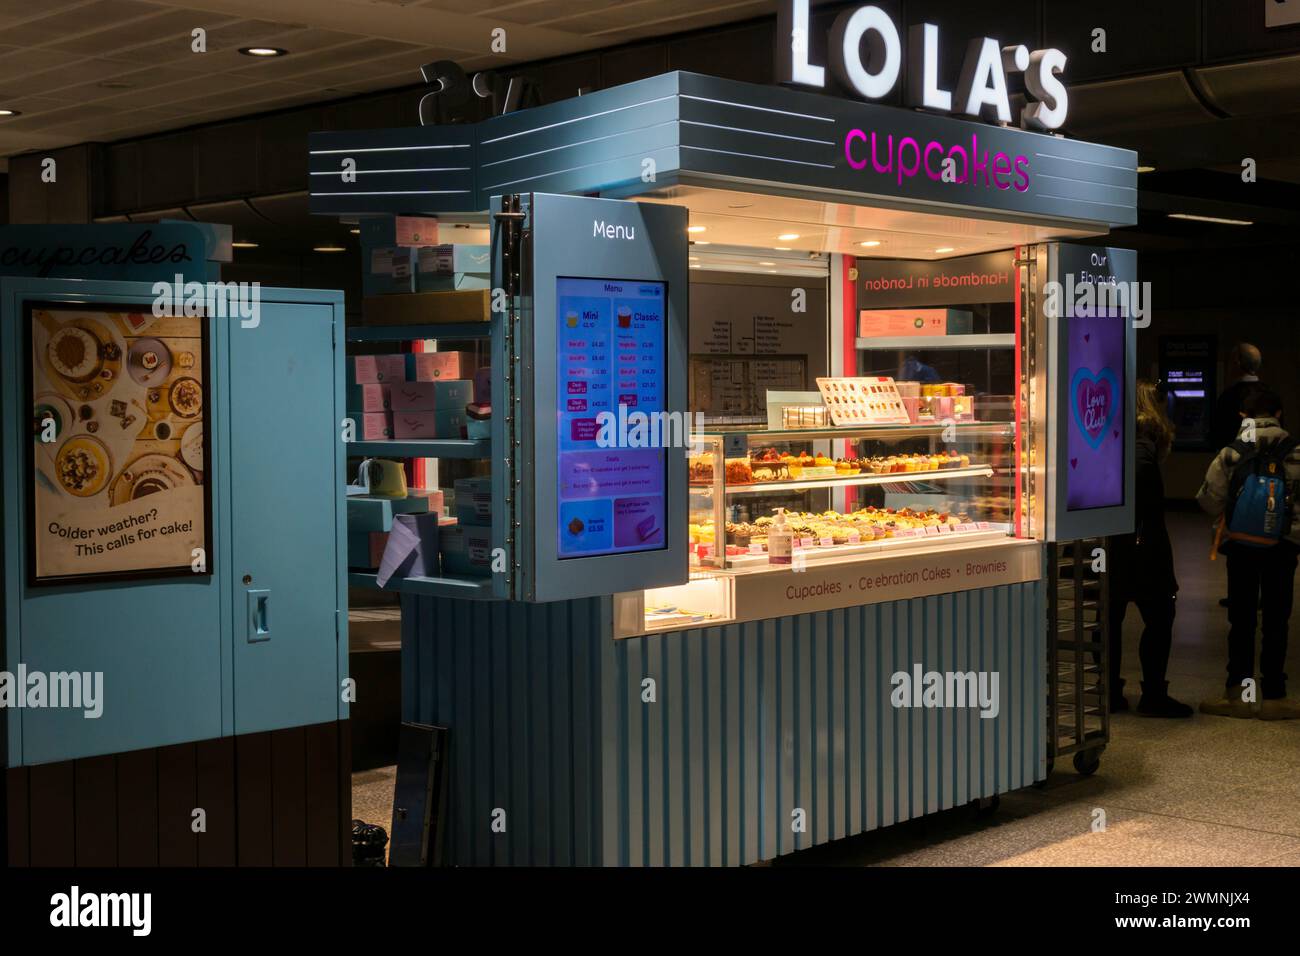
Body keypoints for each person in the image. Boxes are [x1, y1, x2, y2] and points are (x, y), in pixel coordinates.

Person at [1196, 388, 1300, 720]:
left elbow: (1208, 499)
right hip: (1282, 546)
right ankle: (1274, 697)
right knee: (1276, 619)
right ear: (1279, 413)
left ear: (1244, 416)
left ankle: (1238, 694)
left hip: (1240, 545)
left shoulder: (1231, 452)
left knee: (1241, 619)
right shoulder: (1296, 451)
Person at [1107, 380, 1192, 717]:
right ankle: (1154, 693)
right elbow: (1145, 499)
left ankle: (1110, 692)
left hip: (1112, 545)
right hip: (1142, 547)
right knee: (1160, 616)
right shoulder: (1143, 448)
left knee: (1110, 618)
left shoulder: (1114, 440)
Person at [1210, 343, 1265, 453]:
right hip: (1264, 464)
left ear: (1237, 362)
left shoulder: (1228, 398)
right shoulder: (1271, 396)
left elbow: (1218, 439)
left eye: (1230, 361)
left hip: (1235, 464)